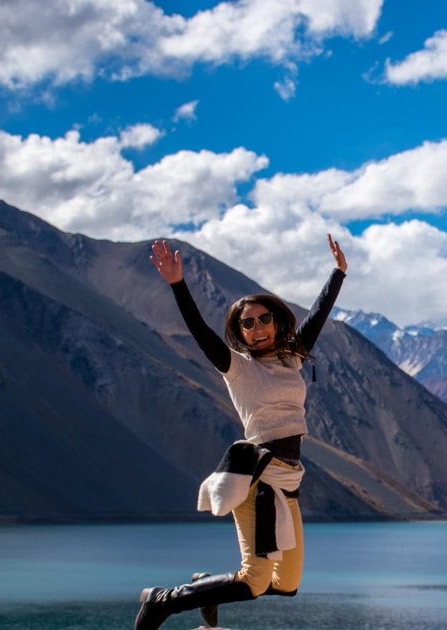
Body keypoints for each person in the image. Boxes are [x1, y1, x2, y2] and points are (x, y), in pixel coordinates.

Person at [135, 234, 348, 630]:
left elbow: (317, 316)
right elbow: (200, 331)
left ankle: (205, 586)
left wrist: (338, 273)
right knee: (254, 579)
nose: (257, 327)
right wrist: (178, 285)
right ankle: (162, 600)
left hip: (288, 479)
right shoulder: (237, 367)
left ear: (277, 322)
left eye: (264, 318)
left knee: (287, 583)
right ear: (240, 332)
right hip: (259, 476)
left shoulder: (291, 358)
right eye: (247, 323)